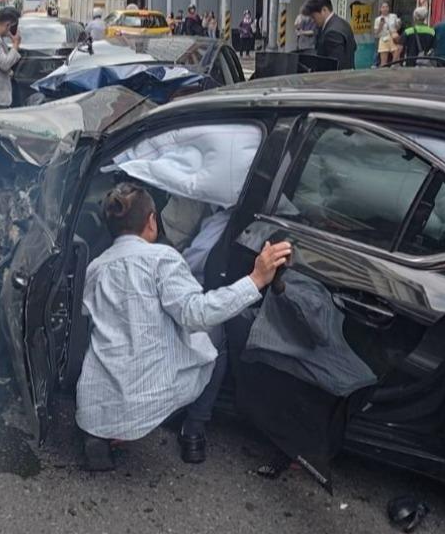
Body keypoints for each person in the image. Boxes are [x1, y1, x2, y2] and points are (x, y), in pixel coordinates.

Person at [76, 183, 292, 469]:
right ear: (152, 221)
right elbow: (196, 314)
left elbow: (88, 314)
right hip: (151, 387)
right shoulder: (162, 259)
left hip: (97, 397)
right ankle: (193, 429)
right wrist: (256, 279)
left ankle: (99, 434)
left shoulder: (96, 267)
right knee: (217, 335)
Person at [301, 0, 356, 70]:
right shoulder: (344, 23)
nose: (313, 21)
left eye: (313, 17)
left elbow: (335, 65)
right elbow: (353, 47)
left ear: (324, 10)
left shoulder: (332, 33)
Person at [374, 2, 401, 67]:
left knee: (396, 58)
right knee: (383, 62)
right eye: (383, 7)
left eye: (386, 7)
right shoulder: (378, 19)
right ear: (380, 9)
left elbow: (398, 28)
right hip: (383, 38)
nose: (385, 9)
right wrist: (380, 25)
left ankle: (394, 68)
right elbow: (376, 33)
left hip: (393, 37)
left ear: (389, 8)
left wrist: (399, 23)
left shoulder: (393, 16)